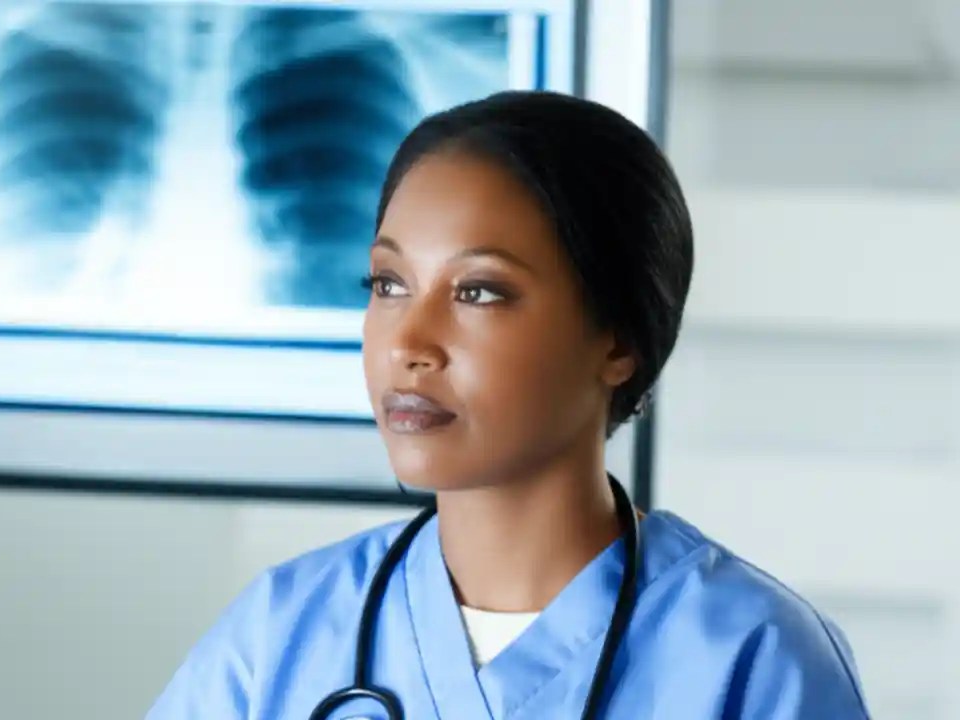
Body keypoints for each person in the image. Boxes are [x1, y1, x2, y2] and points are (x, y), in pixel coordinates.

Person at [146, 91, 870, 719]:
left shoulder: (752, 656)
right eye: (388, 284)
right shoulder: (281, 633)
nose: (410, 342)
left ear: (617, 341)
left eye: (478, 292)